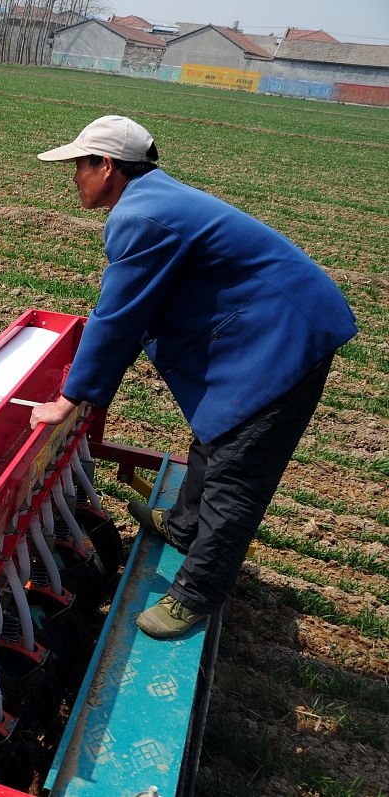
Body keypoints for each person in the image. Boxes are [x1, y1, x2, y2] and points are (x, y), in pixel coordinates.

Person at [29, 115, 357, 640]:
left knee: (236, 473)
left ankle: (196, 595)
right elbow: (135, 313)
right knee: (217, 432)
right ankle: (183, 525)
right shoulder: (152, 199)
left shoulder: (141, 217)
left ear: (107, 166)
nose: (73, 179)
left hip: (283, 341)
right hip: (266, 328)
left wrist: (71, 399)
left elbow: (119, 316)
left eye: (78, 166)